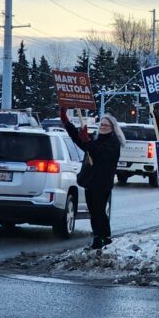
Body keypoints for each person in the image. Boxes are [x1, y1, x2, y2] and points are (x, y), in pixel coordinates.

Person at [60, 107, 124, 250]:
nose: (103, 127)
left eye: (106, 125)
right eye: (101, 124)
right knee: (93, 212)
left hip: (102, 182)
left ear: (112, 128)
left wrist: (88, 141)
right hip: (91, 181)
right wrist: (66, 122)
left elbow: (100, 154)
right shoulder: (97, 138)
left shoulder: (113, 142)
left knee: (99, 211)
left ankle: (105, 238)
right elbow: (79, 140)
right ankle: (97, 238)